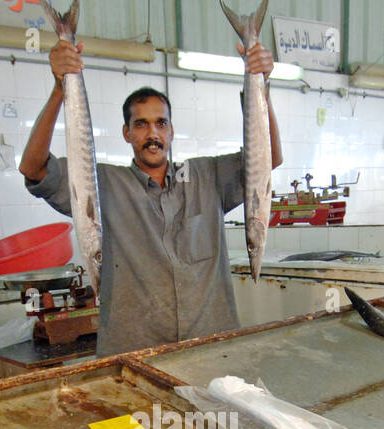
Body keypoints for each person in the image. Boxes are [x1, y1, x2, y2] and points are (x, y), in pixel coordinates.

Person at [19, 37, 282, 357]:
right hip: (133, 356)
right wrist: (60, 89)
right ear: (127, 133)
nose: (152, 134)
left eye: (161, 123)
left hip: (212, 350)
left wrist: (262, 86)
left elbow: (267, 160)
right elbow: (33, 168)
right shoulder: (103, 184)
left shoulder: (207, 176)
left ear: (171, 131)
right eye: (141, 125)